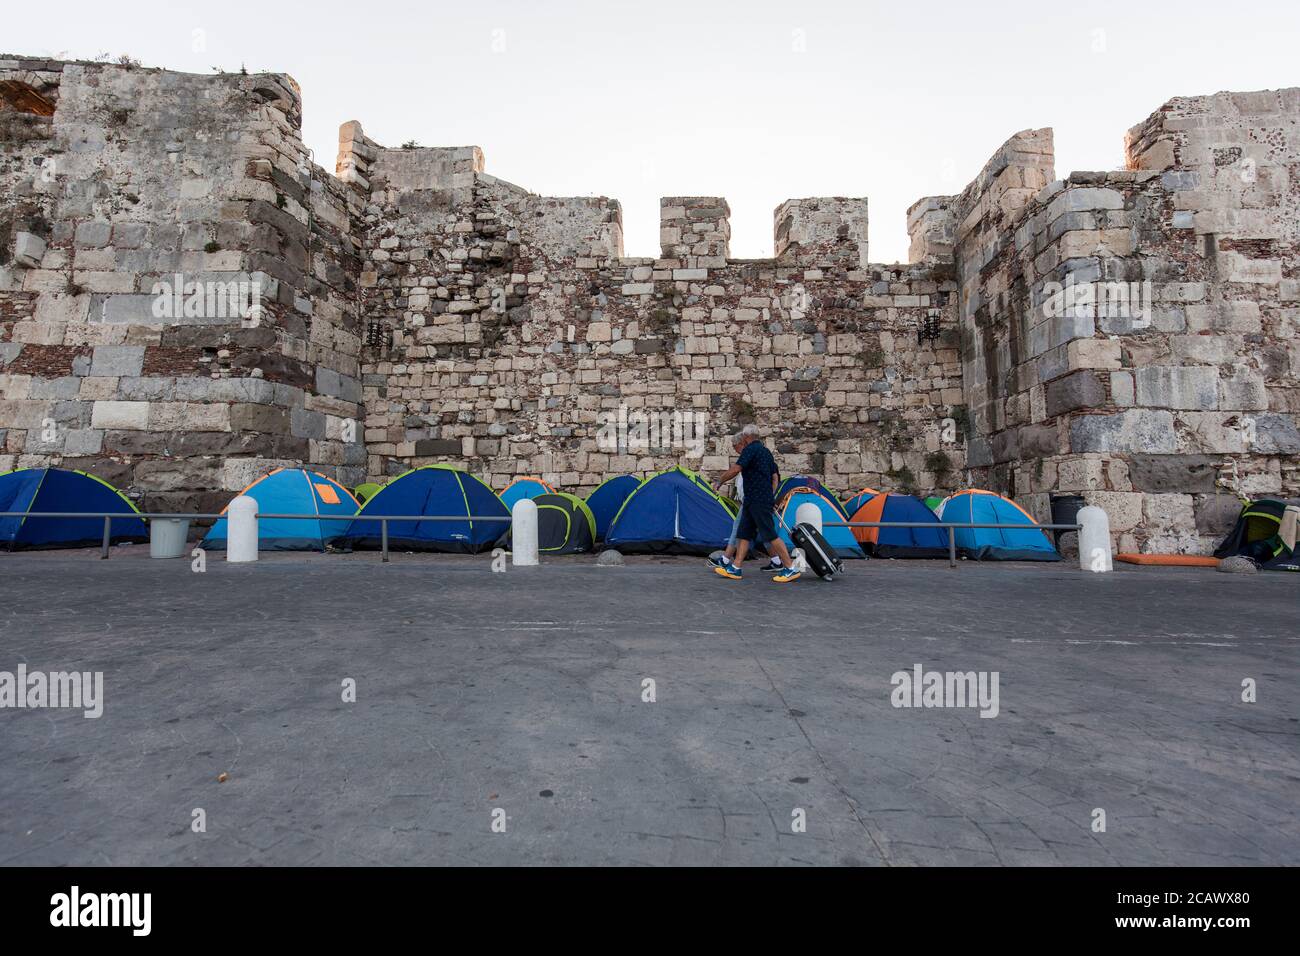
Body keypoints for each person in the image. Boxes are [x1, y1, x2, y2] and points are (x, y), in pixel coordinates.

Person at [710, 425, 800, 583]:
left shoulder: (750, 450)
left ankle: (790, 567)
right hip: (753, 499)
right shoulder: (766, 452)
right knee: (743, 533)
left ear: (745, 437)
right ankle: (736, 567)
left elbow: (737, 468)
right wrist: (770, 495)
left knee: (769, 534)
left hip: (758, 500)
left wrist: (719, 481)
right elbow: (775, 476)